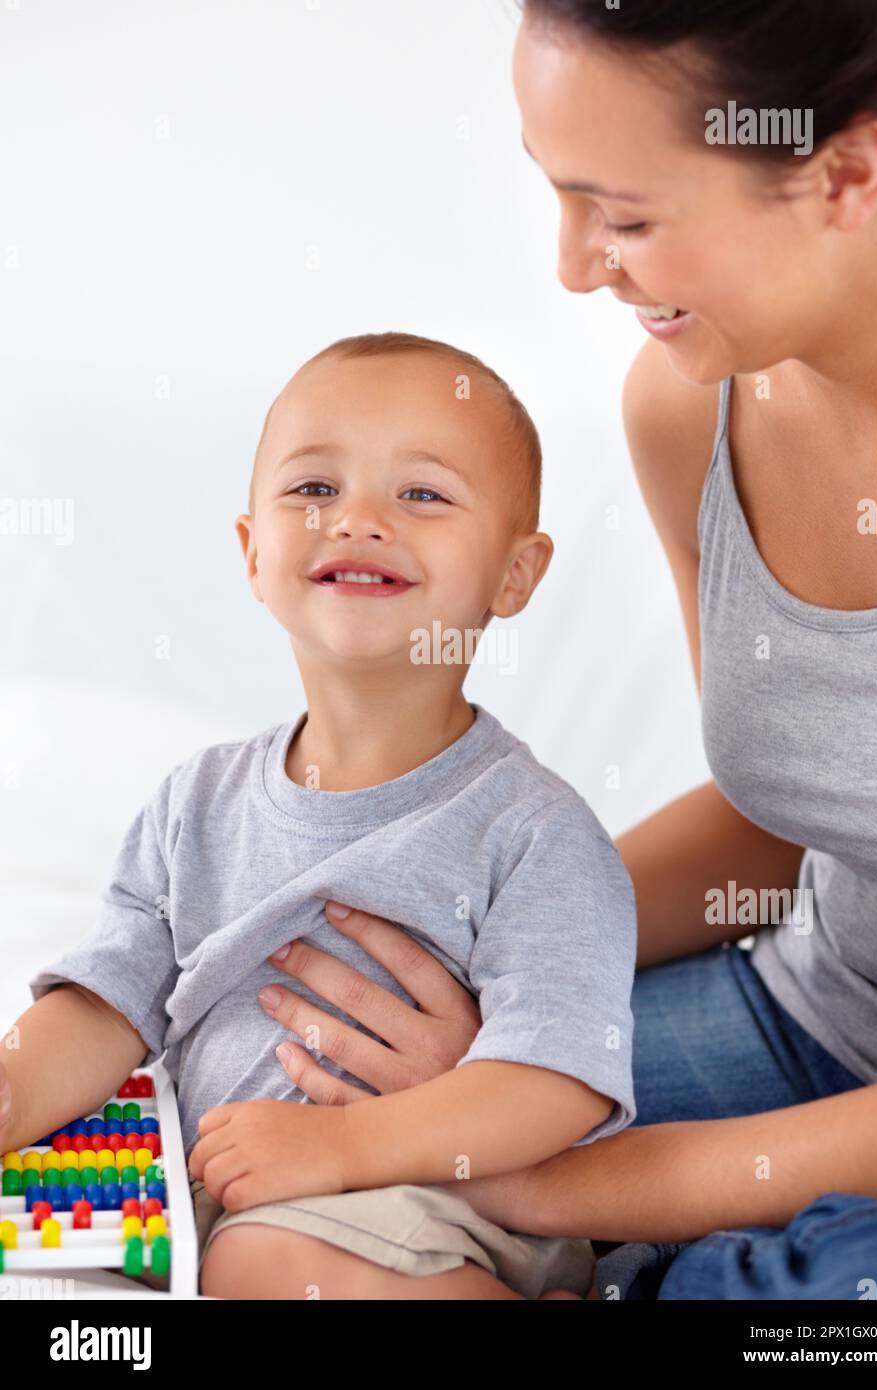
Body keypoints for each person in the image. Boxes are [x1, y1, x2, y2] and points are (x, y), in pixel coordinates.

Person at [256, 0, 877, 1299]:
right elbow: (781, 806)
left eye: (622, 214)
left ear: (848, 174)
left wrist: (552, 1180)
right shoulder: (694, 408)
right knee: (300, 1145)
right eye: (556, 197)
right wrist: (502, 959)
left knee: (832, 1289)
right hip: (804, 1020)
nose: (575, 266)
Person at [2, 331, 640, 1300]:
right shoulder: (195, 800)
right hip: (209, 1189)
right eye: (313, 489)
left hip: (419, 1194)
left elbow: (554, 1079)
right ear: (253, 552)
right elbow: (104, 1005)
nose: (360, 519)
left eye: (421, 493)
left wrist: (342, 1143)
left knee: (267, 1262)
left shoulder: (535, 832)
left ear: (517, 573)